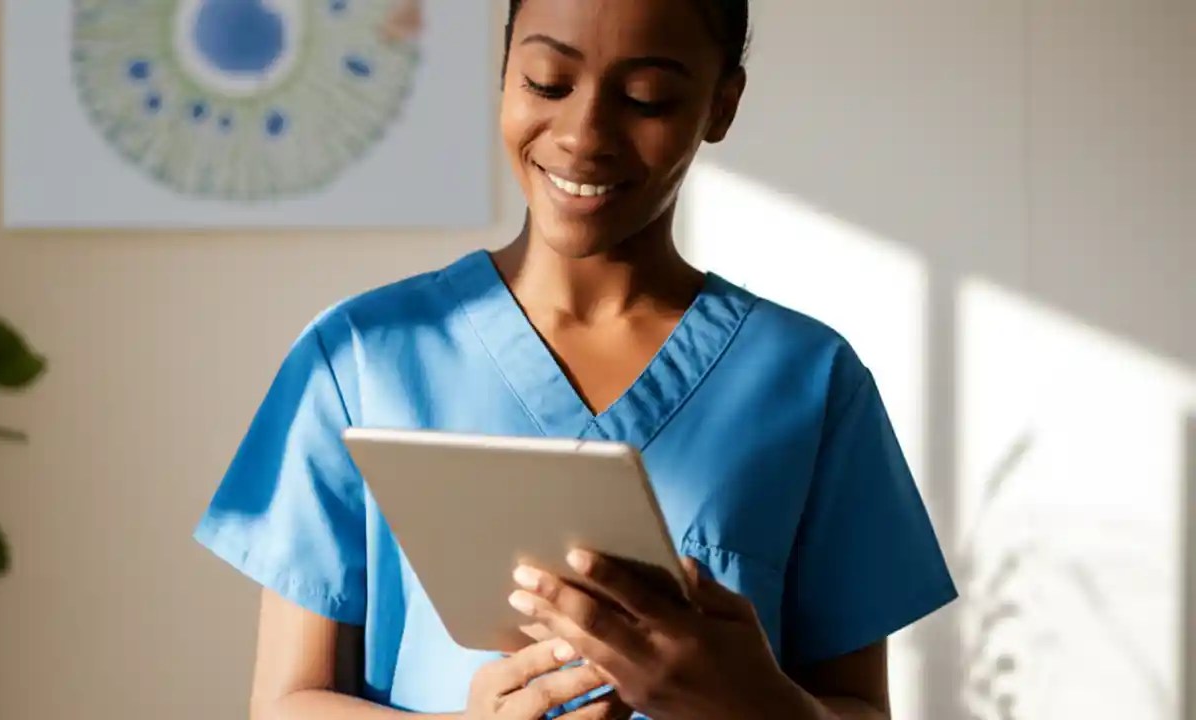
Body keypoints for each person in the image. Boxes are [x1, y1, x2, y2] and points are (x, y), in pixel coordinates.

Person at [193, 0, 957, 718]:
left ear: (722, 105)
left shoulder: (810, 383)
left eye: (649, 96)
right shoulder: (358, 359)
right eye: (546, 83)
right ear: (502, 73)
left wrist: (753, 701)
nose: (584, 133)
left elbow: (861, 706)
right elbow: (288, 701)